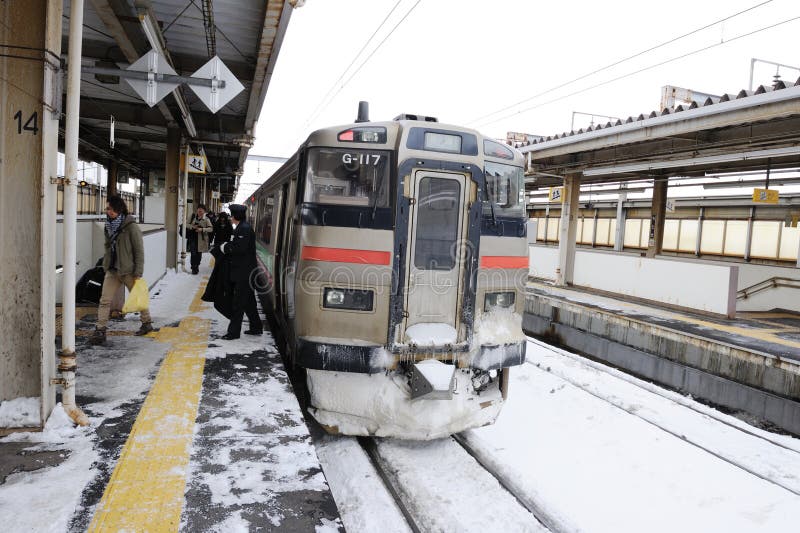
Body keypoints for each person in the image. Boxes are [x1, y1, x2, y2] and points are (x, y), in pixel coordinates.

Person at [89, 196, 153, 345]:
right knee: (105, 300)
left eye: (110, 208)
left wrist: (138, 271)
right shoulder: (108, 225)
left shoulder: (131, 227)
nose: (108, 211)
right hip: (112, 270)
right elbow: (107, 245)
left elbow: (139, 250)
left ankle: (147, 322)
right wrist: (106, 262)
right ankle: (100, 330)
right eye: (107, 209)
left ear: (118, 209)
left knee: (138, 298)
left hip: (128, 270)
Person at [218, 204, 262, 340]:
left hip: (244, 273)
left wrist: (225, 247)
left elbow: (239, 248)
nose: (230, 218)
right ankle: (256, 327)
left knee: (238, 303)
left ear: (236, 216)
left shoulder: (244, 229)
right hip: (245, 272)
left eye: (232, 215)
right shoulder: (242, 227)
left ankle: (233, 332)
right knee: (249, 302)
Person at [187, 204, 213, 275]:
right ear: (197, 210)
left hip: (201, 239)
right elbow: (186, 224)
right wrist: (192, 227)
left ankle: (197, 265)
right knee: (193, 253)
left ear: (204, 211)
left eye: (201, 210)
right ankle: (193, 268)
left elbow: (211, 229)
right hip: (193, 238)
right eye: (199, 209)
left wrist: (202, 229)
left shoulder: (206, 219)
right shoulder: (192, 217)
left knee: (199, 254)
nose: (200, 211)